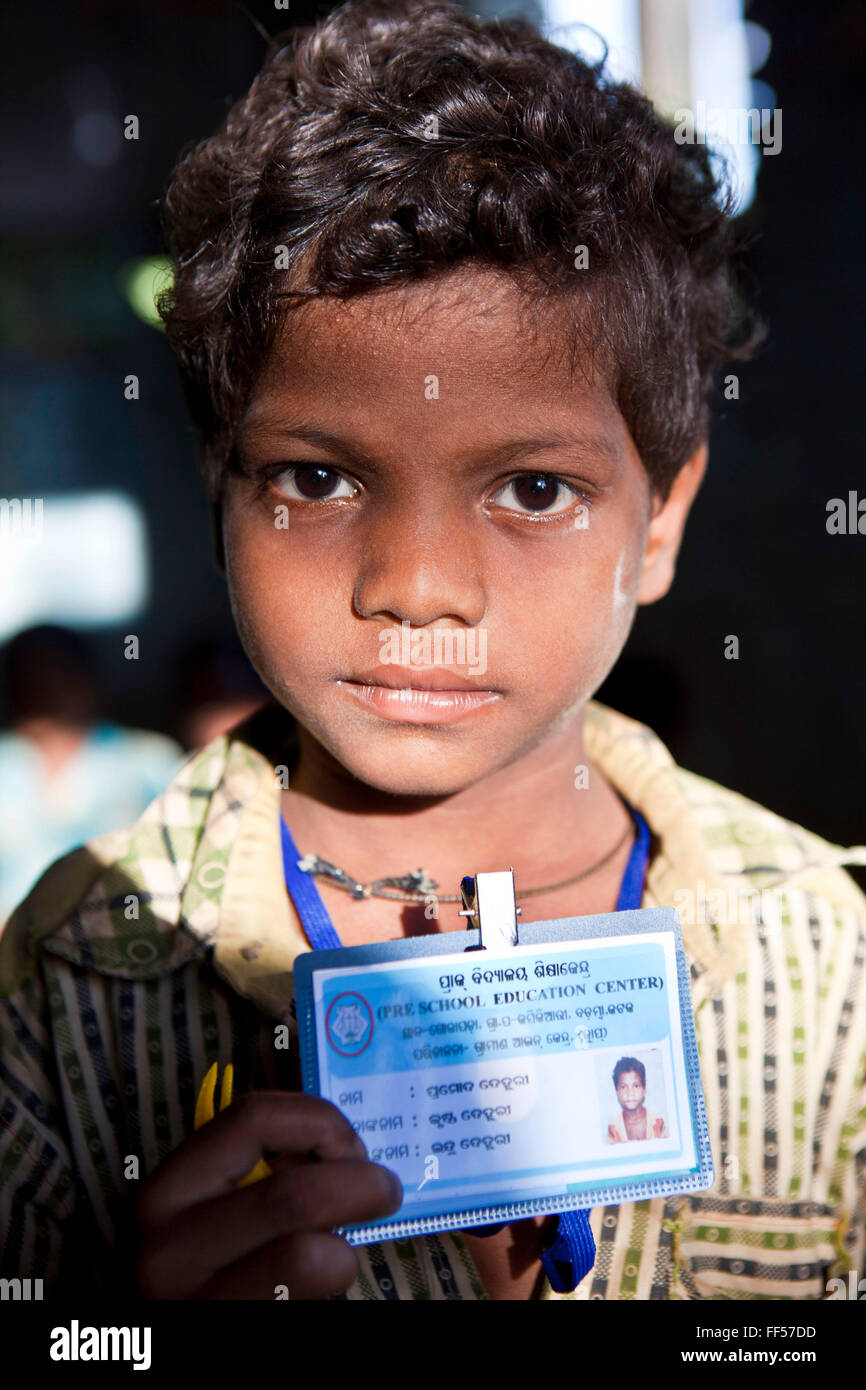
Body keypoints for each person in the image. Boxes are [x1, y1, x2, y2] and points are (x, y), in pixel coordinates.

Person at [1, 0, 865, 1303]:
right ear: (217, 483)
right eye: (315, 474)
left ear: (660, 521)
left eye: (529, 490)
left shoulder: (827, 968)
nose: (414, 585)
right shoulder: (58, 999)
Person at [0, 626, 183, 924]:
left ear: (87, 681)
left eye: (56, 678)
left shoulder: (146, 760)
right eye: (28, 680)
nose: (42, 691)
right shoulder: (6, 761)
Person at [606, 1057, 667, 1144]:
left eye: (636, 1086)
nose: (630, 1093)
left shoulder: (658, 1122)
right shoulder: (613, 1129)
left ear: (644, 1088)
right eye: (623, 1087)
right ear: (617, 1091)